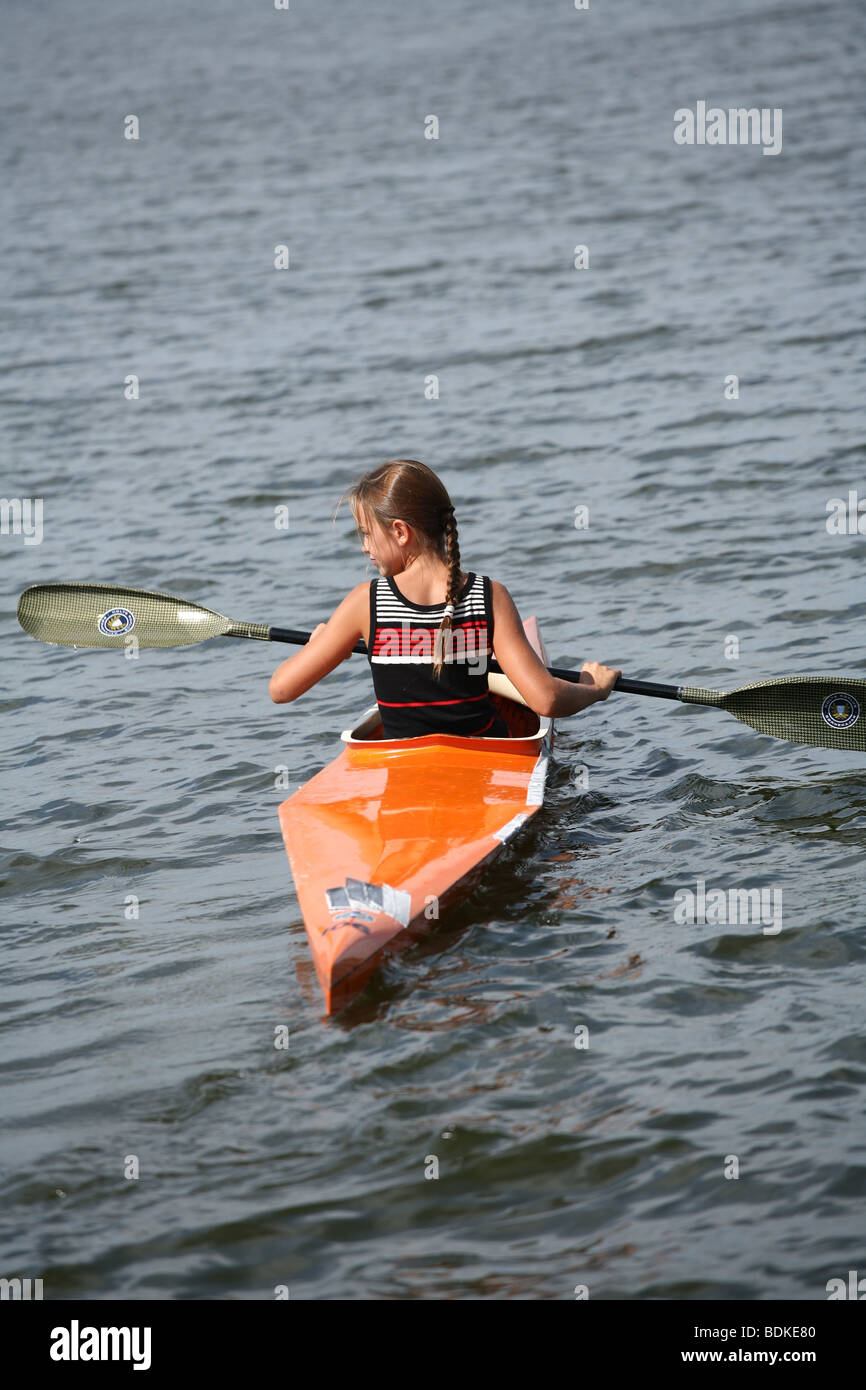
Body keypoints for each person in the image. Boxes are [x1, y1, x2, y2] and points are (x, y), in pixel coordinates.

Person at [269, 459, 620, 735]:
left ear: (400, 532)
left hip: (406, 765)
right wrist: (593, 688)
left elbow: (281, 690)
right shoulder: (489, 596)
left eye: (366, 534)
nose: (364, 547)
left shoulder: (365, 603)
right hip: (484, 754)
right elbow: (546, 699)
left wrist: (319, 646)